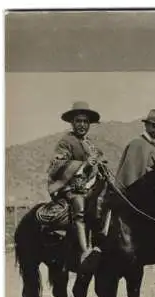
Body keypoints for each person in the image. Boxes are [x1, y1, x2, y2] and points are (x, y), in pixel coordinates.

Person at [47, 101, 105, 273]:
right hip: (71, 187)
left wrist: (100, 164)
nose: (82, 125)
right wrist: (84, 164)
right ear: (72, 122)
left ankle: (102, 244)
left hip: (89, 186)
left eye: (85, 122)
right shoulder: (66, 142)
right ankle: (84, 251)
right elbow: (57, 165)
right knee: (79, 207)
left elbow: (97, 160)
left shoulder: (89, 143)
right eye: (79, 121)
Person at [115, 109, 155, 263]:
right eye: (154, 127)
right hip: (137, 191)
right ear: (147, 125)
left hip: (151, 190)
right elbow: (131, 173)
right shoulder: (137, 144)